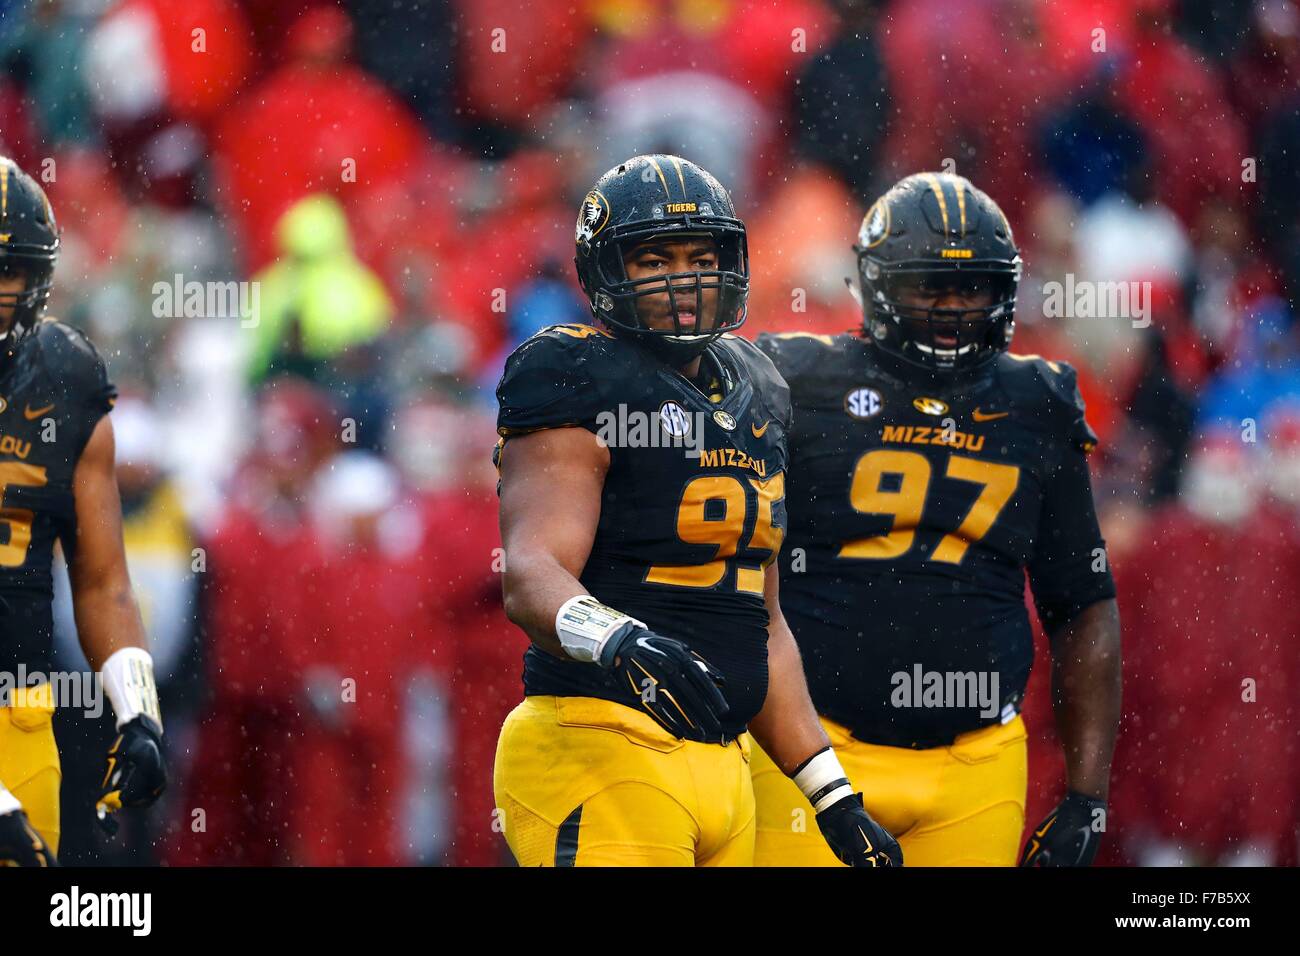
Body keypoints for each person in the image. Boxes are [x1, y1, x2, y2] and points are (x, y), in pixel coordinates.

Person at [492, 154, 899, 866]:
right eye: (655, 259)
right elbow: (532, 572)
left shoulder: (761, 388)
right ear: (604, 272)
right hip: (602, 741)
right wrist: (621, 643)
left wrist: (833, 795)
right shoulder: (575, 370)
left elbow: (763, 624)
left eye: (700, 256)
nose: (685, 279)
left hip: (725, 768)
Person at [753, 172, 1121, 866]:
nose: (954, 306)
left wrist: (1086, 797)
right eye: (931, 286)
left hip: (974, 763)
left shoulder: (1035, 400)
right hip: (810, 750)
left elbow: (1084, 603)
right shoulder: (794, 378)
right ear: (879, 284)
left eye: (973, 287)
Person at [0, 156, 165, 865]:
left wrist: (138, 710)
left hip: (21, 719)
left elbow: (102, 580)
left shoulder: (67, 379)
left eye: (13, 271)